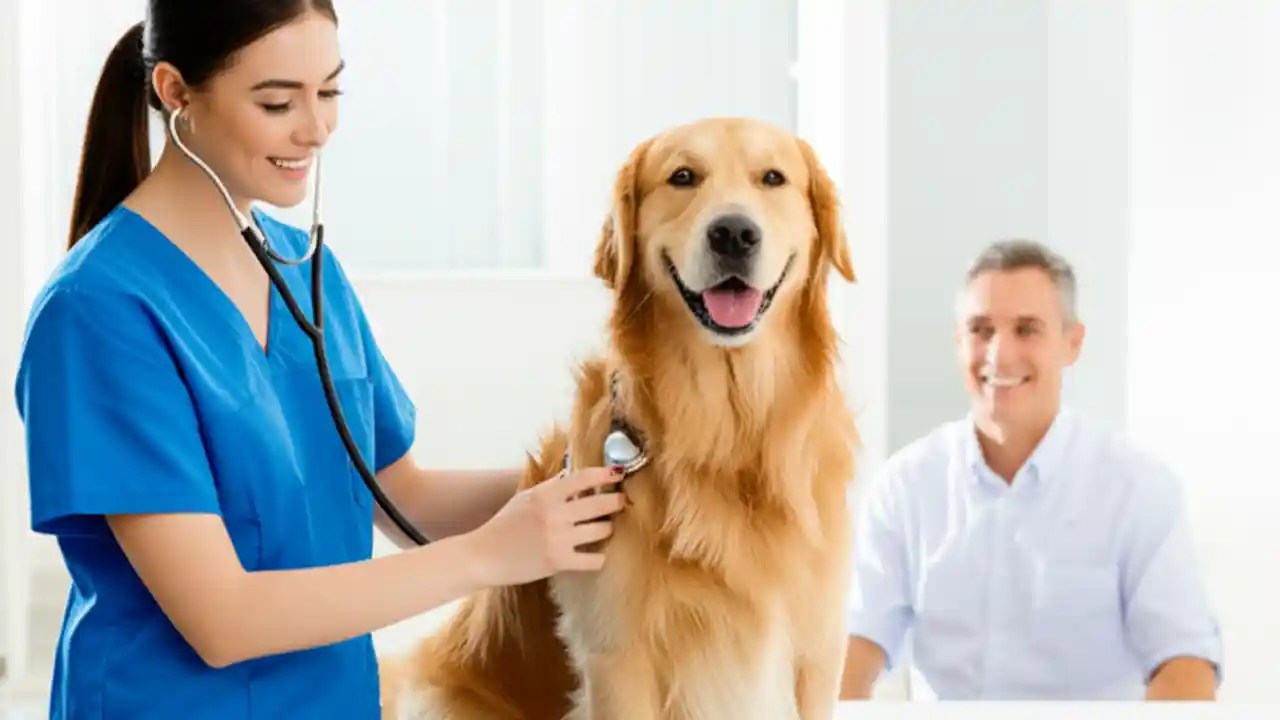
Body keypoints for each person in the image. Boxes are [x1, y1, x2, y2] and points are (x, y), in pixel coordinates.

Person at [12, 3, 626, 718]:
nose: (317, 128)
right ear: (177, 91)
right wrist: (491, 556)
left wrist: (589, 481)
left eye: (330, 92)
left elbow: (403, 498)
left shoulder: (306, 270)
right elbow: (223, 618)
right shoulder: (99, 310)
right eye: (278, 102)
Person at [838, 239, 1223, 701]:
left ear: (1072, 343)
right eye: (981, 329)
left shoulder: (1139, 489)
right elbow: (853, 648)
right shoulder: (903, 488)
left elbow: (1186, 665)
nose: (999, 356)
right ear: (958, 341)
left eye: (1027, 329)